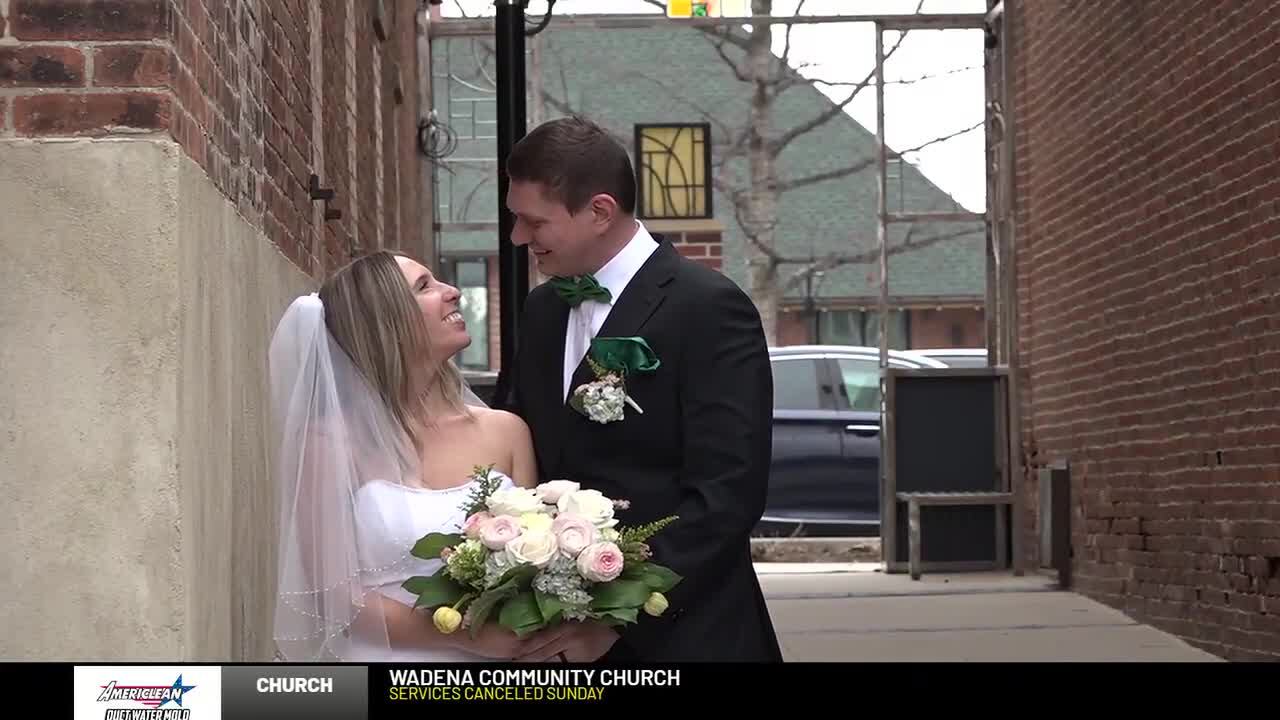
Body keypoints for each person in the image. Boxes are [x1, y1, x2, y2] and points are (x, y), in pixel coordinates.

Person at [495, 115, 784, 662]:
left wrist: (620, 618)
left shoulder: (707, 308)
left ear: (600, 211)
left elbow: (727, 496)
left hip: (687, 630)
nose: (518, 237)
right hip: (556, 632)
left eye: (534, 222)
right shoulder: (542, 309)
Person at [268, 249, 541, 662]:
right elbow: (331, 594)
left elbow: (534, 562)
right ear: (386, 324)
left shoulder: (507, 432)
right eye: (424, 286)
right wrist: (463, 637)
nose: (453, 292)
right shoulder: (331, 441)